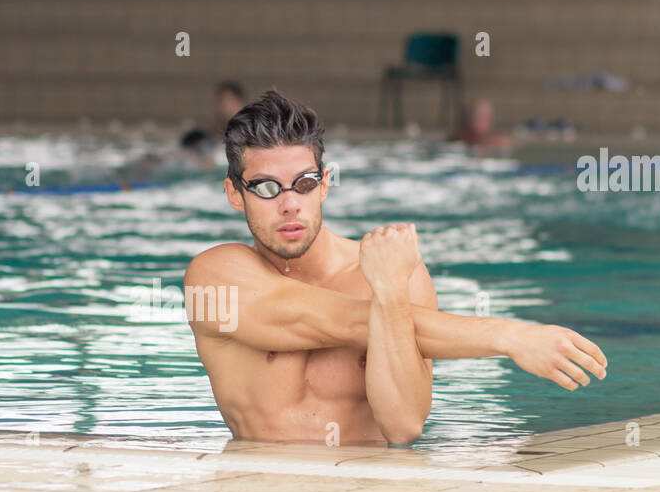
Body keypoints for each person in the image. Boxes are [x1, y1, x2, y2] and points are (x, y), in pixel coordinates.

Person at [184, 90, 607, 446]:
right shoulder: (214, 278)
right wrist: (511, 335)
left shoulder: (393, 272)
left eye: (305, 183)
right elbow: (324, 319)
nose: (290, 202)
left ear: (325, 184)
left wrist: (389, 290)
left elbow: (403, 426)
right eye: (267, 187)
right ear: (234, 194)